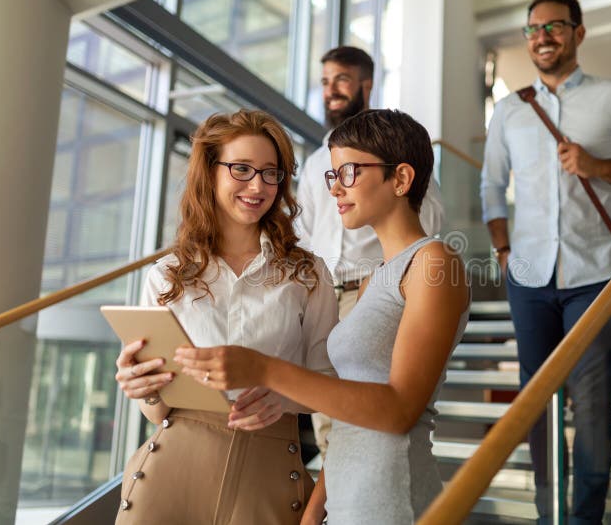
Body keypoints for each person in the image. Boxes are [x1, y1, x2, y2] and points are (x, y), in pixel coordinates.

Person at [175, 109, 470, 525]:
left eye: (349, 172)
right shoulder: (372, 282)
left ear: (401, 179)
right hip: (347, 502)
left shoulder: (434, 263)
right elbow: (352, 413)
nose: (335, 190)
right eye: (332, 176)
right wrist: (316, 512)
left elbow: (399, 410)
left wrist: (263, 368)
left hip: (393, 501)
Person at [480, 0, 611, 523]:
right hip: (529, 276)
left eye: (555, 26)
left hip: (598, 274)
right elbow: (491, 185)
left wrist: (598, 165)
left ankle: (584, 518)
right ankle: (548, 514)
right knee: (535, 406)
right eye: (534, 27)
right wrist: (502, 249)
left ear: (578, 33)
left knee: (591, 407)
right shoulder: (510, 110)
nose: (542, 36)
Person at [113, 109, 337, 524]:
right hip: (170, 474)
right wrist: (142, 388)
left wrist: (285, 396)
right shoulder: (166, 276)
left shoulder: (307, 274)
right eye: (242, 169)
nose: (258, 186)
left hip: (267, 473)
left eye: (271, 173)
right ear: (210, 172)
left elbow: (330, 384)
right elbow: (159, 413)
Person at [295, 45, 445, 456]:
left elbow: (425, 215)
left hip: (375, 290)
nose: (331, 90)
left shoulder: (393, 146)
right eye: (325, 82)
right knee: (328, 420)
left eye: (341, 79)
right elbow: (302, 233)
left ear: (366, 83)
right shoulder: (312, 164)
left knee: (369, 406)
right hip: (325, 294)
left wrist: (392, 274)